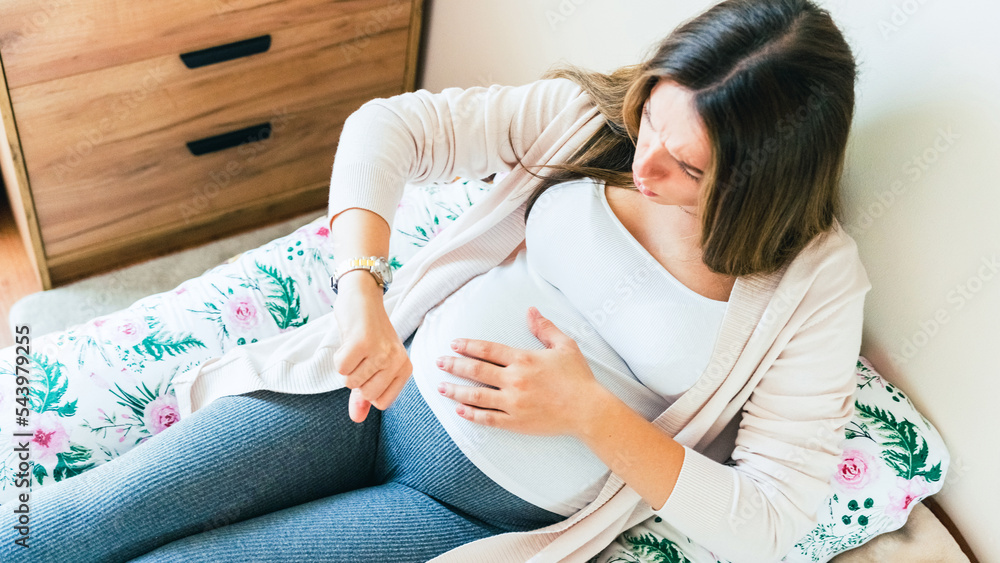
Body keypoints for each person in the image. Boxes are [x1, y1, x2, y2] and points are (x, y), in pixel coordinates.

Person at [0, 0, 871, 561]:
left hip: (466, 508)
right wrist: (362, 292)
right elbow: (390, 129)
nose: (645, 162)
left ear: (760, 181)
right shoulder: (590, 120)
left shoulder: (813, 285)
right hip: (370, 391)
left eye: (686, 165)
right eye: (651, 120)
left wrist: (588, 411)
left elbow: (768, 522)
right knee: (73, 521)